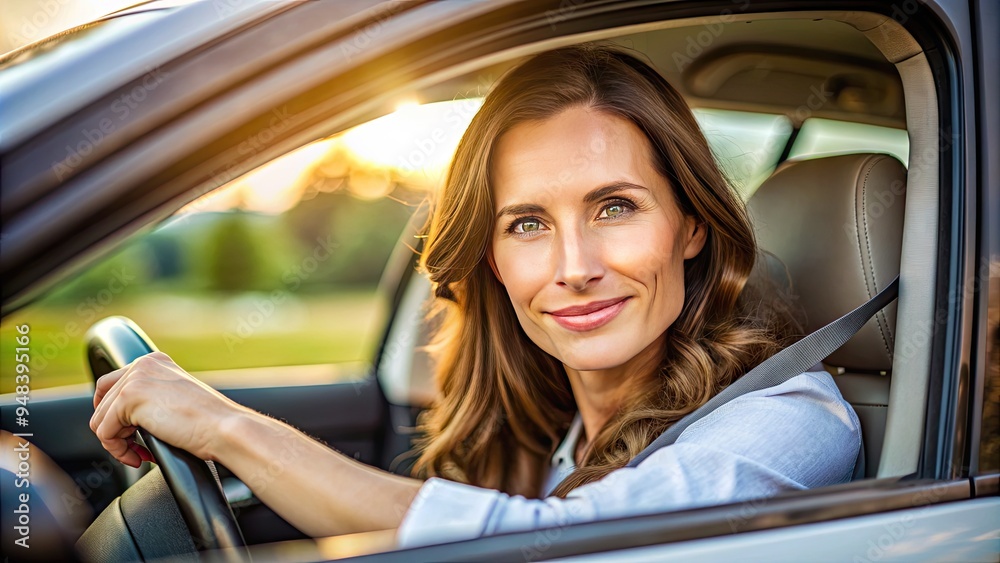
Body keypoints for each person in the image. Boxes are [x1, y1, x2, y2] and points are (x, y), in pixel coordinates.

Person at [89, 44, 861, 548]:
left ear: (691, 226)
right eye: (527, 223)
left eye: (615, 207)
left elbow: (563, 541)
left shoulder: (790, 418)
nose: (575, 265)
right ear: (492, 258)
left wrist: (227, 424)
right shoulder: (559, 428)